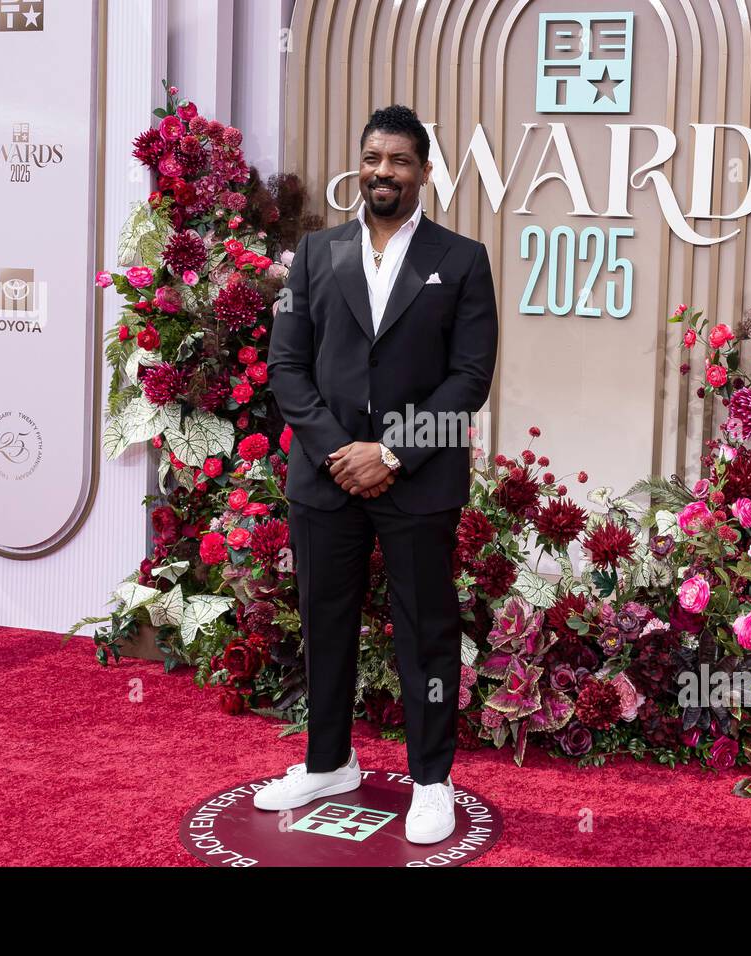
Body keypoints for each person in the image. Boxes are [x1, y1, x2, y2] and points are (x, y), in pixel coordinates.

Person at [258, 105, 498, 844]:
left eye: (398, 160)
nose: (382, 172)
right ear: (358, 167)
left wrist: (390, 451)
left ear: (424, 172)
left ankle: (432, 780)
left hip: (417, 480)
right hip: (324, 475)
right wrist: (339, 450)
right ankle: (328, 761)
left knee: (426, 633)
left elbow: (469, 379)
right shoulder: (316, 254)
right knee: (324, 623)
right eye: (372, 158)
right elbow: (286, 366)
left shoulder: (461, 260)